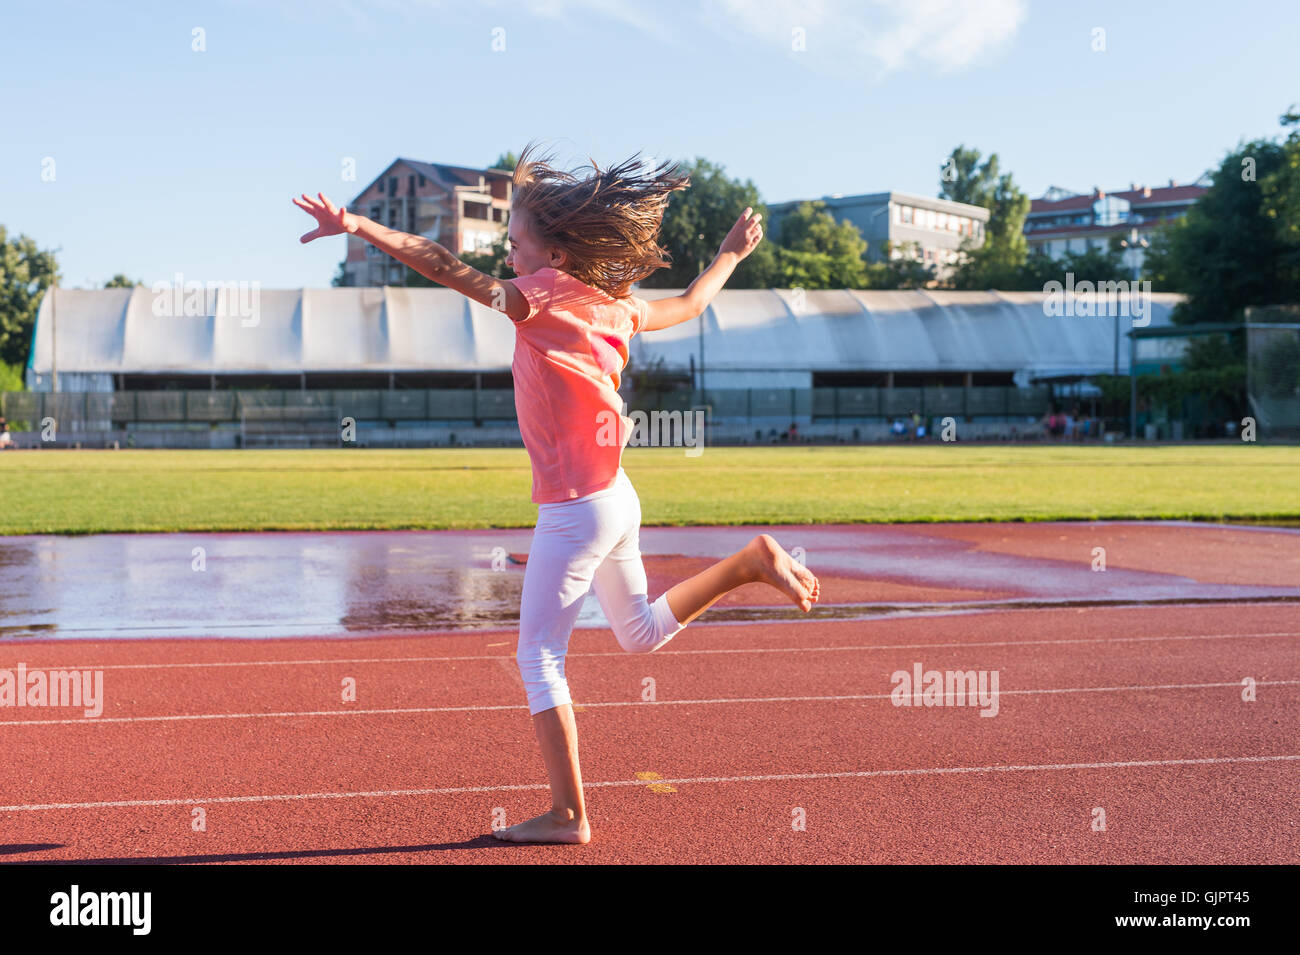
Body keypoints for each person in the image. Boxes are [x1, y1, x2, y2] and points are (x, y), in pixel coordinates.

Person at [294, 145, 820, 845]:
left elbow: (441, 264)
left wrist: (361, 227)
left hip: (576, 510)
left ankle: (570, 814)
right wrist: (729, 253)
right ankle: (747, 562)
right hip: (616, 498)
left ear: (555, 256)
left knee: (537, 656)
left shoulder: (535, 298)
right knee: (638, 635)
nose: (509, 257)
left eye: (516, 245)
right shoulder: (616, 307)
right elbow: (692, 302)